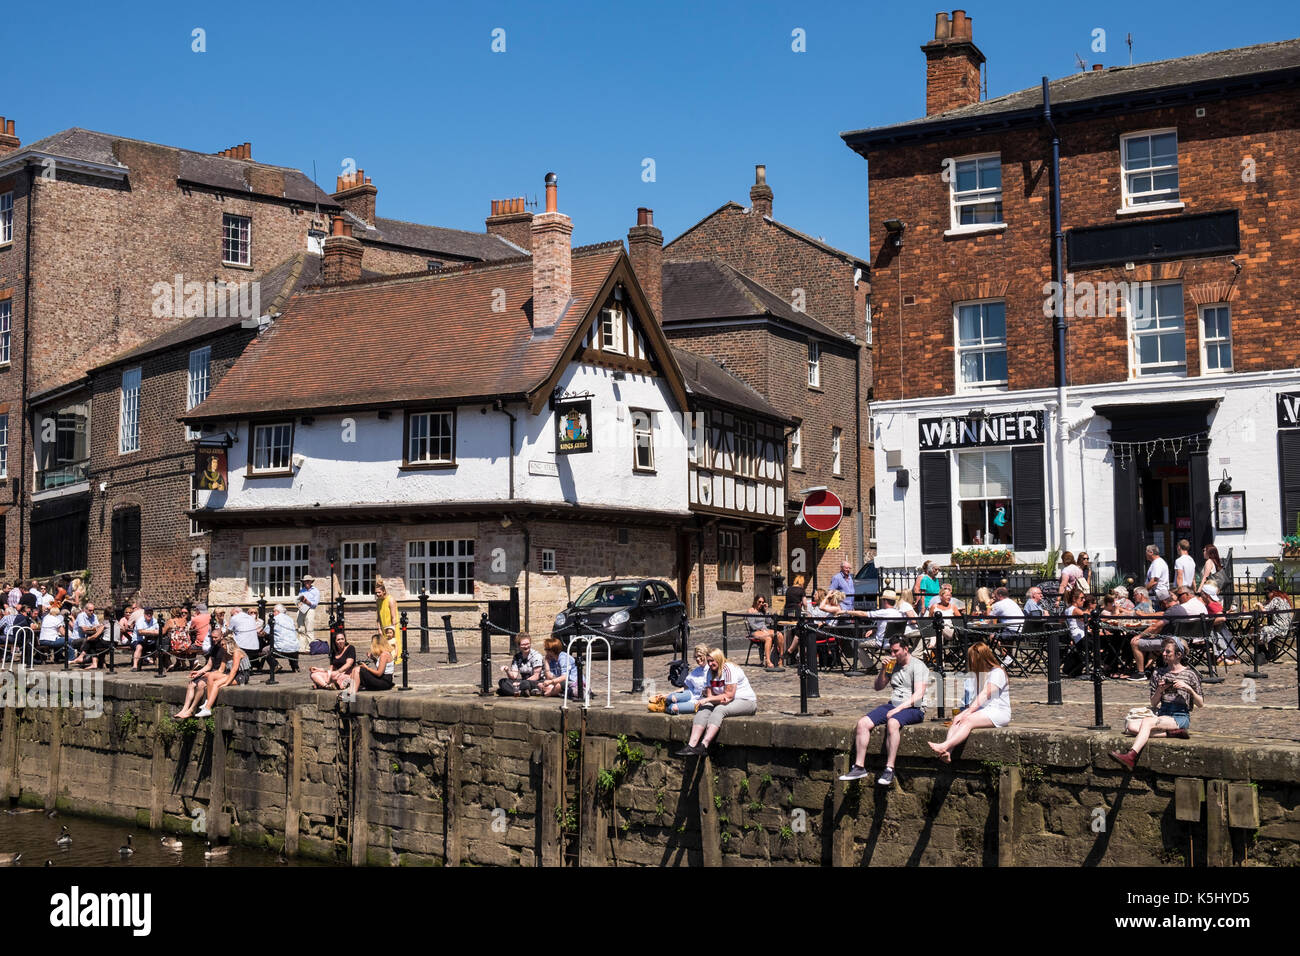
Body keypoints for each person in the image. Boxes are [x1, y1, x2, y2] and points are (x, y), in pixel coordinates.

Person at [839, 633, 929, 786]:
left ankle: (889, 769)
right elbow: (878, 687)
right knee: (862, 723)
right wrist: (882, 670)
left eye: (896, 651)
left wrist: (898, 710)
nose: (892, 654)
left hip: (914, 707)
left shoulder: (918, 666)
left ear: (906, 649)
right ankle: (859, 766)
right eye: (891, 651)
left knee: (893, 722)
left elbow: (918, 695)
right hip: (893, 704)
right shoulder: (892, 665)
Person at [1110, 637, 1204, 770]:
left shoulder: (1190, 675)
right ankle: (1172, 734)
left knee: (1147, 722)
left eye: (1168, 652)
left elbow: (1200, 703)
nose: (1164, 654)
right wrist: (1160, 690)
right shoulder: (1158, 673)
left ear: (1179, 655)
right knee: (1130, 726)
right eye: (1163, 651)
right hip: (1162, 713)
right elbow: (1154, 703)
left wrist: (1188, 689)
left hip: (1179, 716)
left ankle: (1131, 756)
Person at [928, 642, 1010, 762]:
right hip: (983, 711)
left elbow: (984, 695)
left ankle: (945, 746)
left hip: (998, 712)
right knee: (957, 720)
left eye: (972, 660)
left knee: (968, 720)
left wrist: (968, 712)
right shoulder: (977, 675)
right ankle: (947, 752)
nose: (970, 663)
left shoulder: (997, 673)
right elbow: (972, 698)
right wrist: (963, 712)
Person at [674, 649, 757, 756]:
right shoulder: (710, 672)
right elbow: (710, 695)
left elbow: (729, 695)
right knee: (704, 708)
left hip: (745, 701)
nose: (710, 664)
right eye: (708, 661)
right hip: (724, 700)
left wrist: (709, 699)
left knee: (719, 710)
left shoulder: (728, 669)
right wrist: (708, 700)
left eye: (713, 661)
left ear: (719, 659)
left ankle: (704, 745)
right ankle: (691, 745)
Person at [1131, 586, 1205, 676]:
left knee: (1134, 643)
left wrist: (1139, 636)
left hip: (1171, 642)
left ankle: (1140, 673)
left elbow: (1155, 627)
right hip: (1181, 640)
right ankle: (1148, 668)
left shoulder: (1170, 611)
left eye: (1160, 604)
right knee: (1152, 638)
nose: (1160, 606)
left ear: (1164, 602)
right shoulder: (1180, 608)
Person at [174, 630, 246, 720]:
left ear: (228, 644)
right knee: (199, 681)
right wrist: (201, 672)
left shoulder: (236, 652)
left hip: (241, 676)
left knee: (209, 683)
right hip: (229, 674)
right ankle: (201, 705)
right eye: (212, 637)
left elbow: (234, 670)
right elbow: (218, 669)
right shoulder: (222, 652)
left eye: (223, 644)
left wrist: (227, 683)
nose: (221, 646)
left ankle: (201, 708)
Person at [664, 644, 711, 715]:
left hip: (701, 700)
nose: (697, 659)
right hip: (692, 694)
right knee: (670, 697)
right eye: (696, 657)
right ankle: (667, 703)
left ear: (706, 655)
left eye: (700, 656)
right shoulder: (696, 671)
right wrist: (669, 694)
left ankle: (666, 707)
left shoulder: (711, 670)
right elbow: (687, 687)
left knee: (673, 708)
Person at [1199, 582, 1238, 665]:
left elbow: (1221, 618)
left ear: (1207, 595)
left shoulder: (1211, 605)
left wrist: (1207, 623)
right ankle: (1229, 657)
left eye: (1202, 593)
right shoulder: (1216, 603)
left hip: (1216, 630)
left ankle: (1223, 658)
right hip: (1221, 630)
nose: (1201, 595)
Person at [744, 595, 783, 670]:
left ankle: (781, 659)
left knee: (779, 634)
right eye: (759, 602)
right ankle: (768, 661)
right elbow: (752, 625)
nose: (761, 603)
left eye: (762, 602)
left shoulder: (762, 611)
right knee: (768, 638)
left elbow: (769, 621)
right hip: (755, 631)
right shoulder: (751, 611)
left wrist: (766, 610)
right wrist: (761, 629)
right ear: (755, 601)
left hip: (764, 630)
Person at [68, 603, 107, 669]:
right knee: (89, 640)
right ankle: (96, 661)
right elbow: (84, 629)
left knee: (97, 641)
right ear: (85, 610)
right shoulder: (81, 616)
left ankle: (98, 662)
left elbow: (98, 627)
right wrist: (93, 628)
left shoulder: (94, 616)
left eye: (93, 610)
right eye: (90, 610)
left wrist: (95, 628)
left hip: (88, 637)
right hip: (77, 639)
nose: (92, 612)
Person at [1255, 588, 1294, 654]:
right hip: (1288, 629)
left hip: (1280, 630)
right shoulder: (1284, 599)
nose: (1267, 595)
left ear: (1272, 592)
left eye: (1267, 593)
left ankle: (1264, 654)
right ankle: (1264, 653)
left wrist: (1260, 605)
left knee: (1260, 630)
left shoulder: (1276, 599)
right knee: (1262, 629)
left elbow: (1264, 611)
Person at [375, 577, 402, 666]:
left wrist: (392, 630)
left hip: (391, 627)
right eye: (376, 593)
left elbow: (394, 617)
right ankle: (386, 662)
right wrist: (379, 629)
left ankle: (394, 662)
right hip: (383, 627)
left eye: (379, 592)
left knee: (393, 646)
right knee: (384, 646)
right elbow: (378, 617)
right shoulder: (378, 601)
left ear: (384, 592)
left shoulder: (390, 600)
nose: (377, 594)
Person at [130, 607, 163, 672]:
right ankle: (135, 666)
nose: (149, 615)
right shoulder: (140, 620)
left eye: (150, 613)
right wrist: (153, 632)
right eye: (147, 613)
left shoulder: (155, 620)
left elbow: (160, 631)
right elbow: (140, 632)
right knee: (139, 647)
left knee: (158, 646)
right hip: (138, 640)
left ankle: (159, 666)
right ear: (144, 614)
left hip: (151, 641)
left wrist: (149, 632)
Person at [271, 603, 301, 671]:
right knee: (291, 644)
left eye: (273, 611)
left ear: (277, 612)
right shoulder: (290, 619)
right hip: (295, 647)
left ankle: (276, 665)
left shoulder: (274, 618)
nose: (272, 613)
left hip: (281, 648)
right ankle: (295, 667)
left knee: (265, 650)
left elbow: (265, 632)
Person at [296, 575, 320, 651]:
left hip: (310, 610)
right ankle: (301, 647)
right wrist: (298, 603)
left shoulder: (315, 591)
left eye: (308, 581)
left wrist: (307, 601)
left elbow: (315, 604)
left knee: (309, 629)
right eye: (305, 581)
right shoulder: (302, 590)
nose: (306, 582)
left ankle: (310, 648)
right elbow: (298, 600)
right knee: (301, 629)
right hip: (301, 610)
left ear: (311, 582)